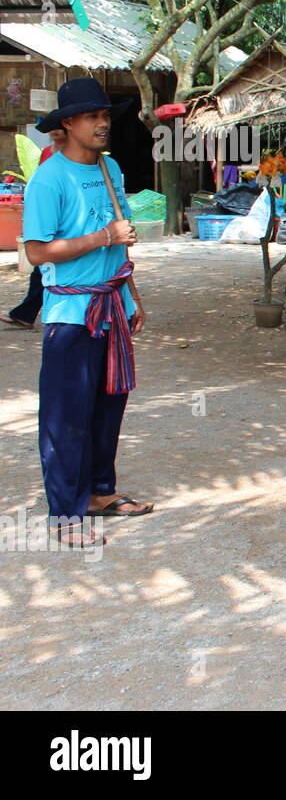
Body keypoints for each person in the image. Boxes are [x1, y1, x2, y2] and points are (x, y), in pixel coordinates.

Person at [22, 78, 154, 549]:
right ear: (67, 124)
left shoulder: (110, 168)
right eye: (93, 117)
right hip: (72, 312)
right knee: (66, 415)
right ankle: (64, 513)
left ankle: (99, 493)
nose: (103, 124)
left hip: (112, 304)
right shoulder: (49, 179)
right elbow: (38, 253)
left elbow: (123, 246)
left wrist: (132, 296)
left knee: (108, 405)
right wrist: (103, 237)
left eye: (105, 117)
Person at [1, 128, 66, 329]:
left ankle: (26, 314)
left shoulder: (80, 154)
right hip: (46, 218)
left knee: (45, 268)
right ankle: (26, 313)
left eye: (59, 127)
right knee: (42, 267)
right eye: (51, 127)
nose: (54, 131)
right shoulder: (47, 152)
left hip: (65, 220)